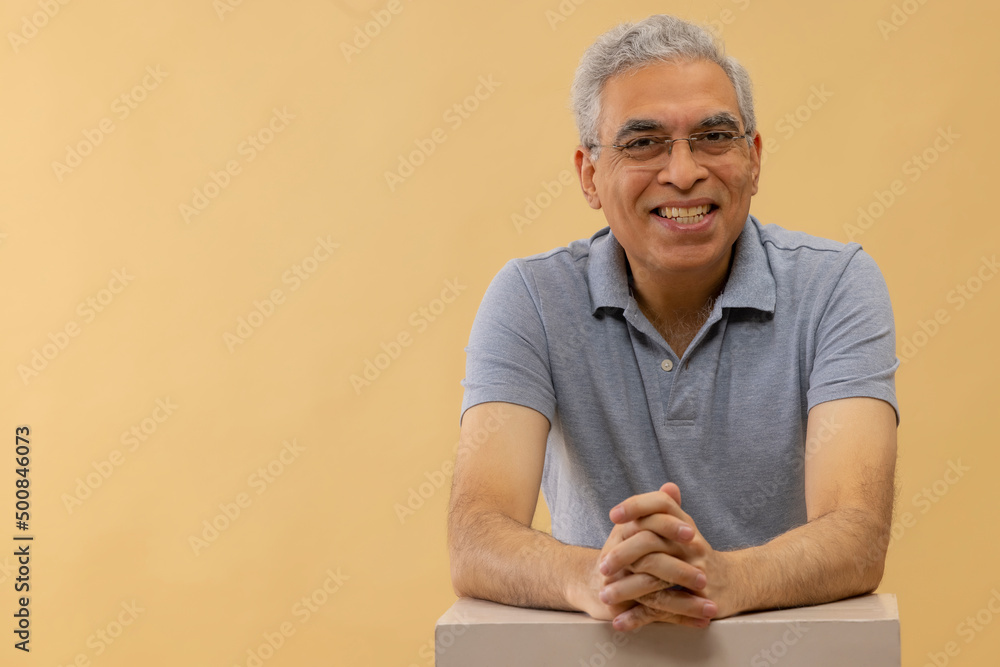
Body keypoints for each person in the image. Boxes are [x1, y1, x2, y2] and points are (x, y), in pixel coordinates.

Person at [447, 14, 899, 633]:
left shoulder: (837, 285)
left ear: (754, 159)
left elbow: (858, 533)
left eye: (714, 136)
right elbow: (476, 535)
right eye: (643, 143)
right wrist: (597, 577)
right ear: (589, 175)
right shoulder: (531, 299)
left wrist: (728, 580)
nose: (684, 173)